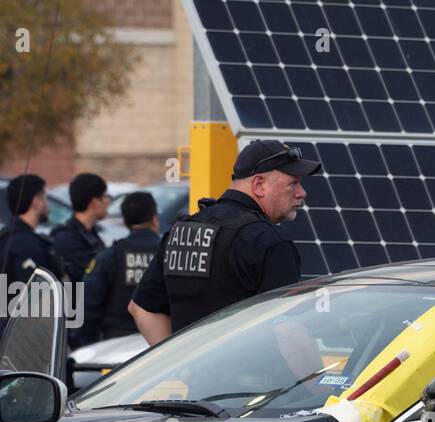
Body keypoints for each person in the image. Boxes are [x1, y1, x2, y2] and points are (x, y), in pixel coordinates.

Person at [130, 139, 322, 345]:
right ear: (259, 185)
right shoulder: (268, 242)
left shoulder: (181, 230)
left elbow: (142, 309)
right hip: (258, 375)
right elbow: (288, 329)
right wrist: (312, 376)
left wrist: (177, 363)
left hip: (196, 376)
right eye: (293, 183)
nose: (302, 192)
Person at [0, 173, 65, 342]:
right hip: (25, 336)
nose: (48, 205)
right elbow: (39, 295)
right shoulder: (24, 243)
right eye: (45, 197)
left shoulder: (6, 235)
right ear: (36, 202)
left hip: (12, 329)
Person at [82, 191, 159, 344]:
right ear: (154, 219)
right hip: (162, 343)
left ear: (124, 221)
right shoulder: (168, 253)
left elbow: (88, 304)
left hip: (115, 345)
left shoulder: (109, 256)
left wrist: (87, 344)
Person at [50, 172, 110, 286]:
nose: (108, 202)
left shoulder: (92, 235)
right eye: (105, 196)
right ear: (95, 202)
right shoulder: (66, 239)